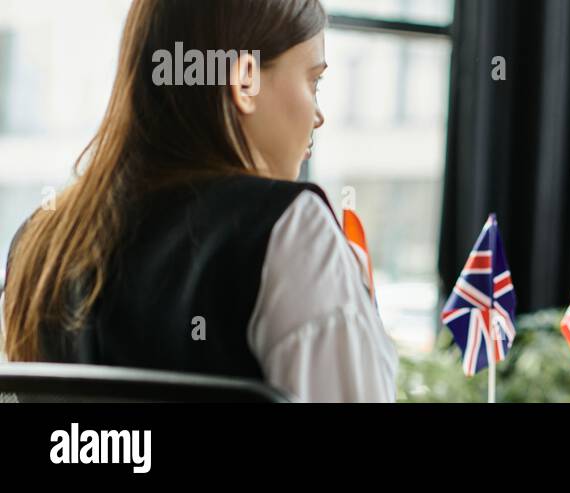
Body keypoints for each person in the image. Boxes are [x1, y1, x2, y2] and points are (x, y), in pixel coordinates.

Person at [0, 0, 396, 402]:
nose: (318, 115)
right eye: (314, 82)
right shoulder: (292, 231)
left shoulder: (39, 240)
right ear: (245, 82)